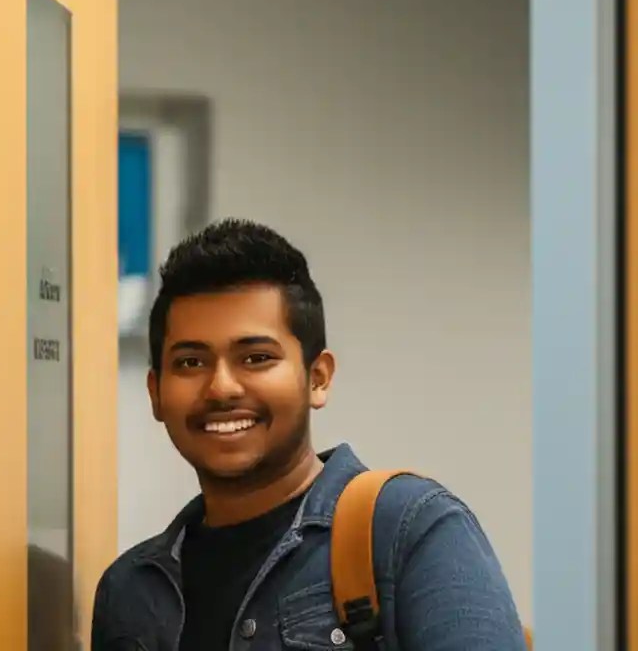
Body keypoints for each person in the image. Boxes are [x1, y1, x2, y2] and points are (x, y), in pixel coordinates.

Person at [91, 219, 526, 650]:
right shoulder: (129, 593)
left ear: (317, 378)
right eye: (190, 362)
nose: (221, 387)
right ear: (156, 393)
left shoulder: (408, 531)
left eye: (256, 357)